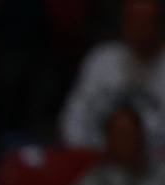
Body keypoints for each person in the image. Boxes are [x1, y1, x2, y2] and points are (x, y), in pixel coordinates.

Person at [60, 0, 165, 149]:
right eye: (133, 21)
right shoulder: (101, 59)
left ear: (160, 24)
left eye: (146, 23)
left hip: (155, 166)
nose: (139, 30)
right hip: (98, 161)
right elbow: (73, 119)